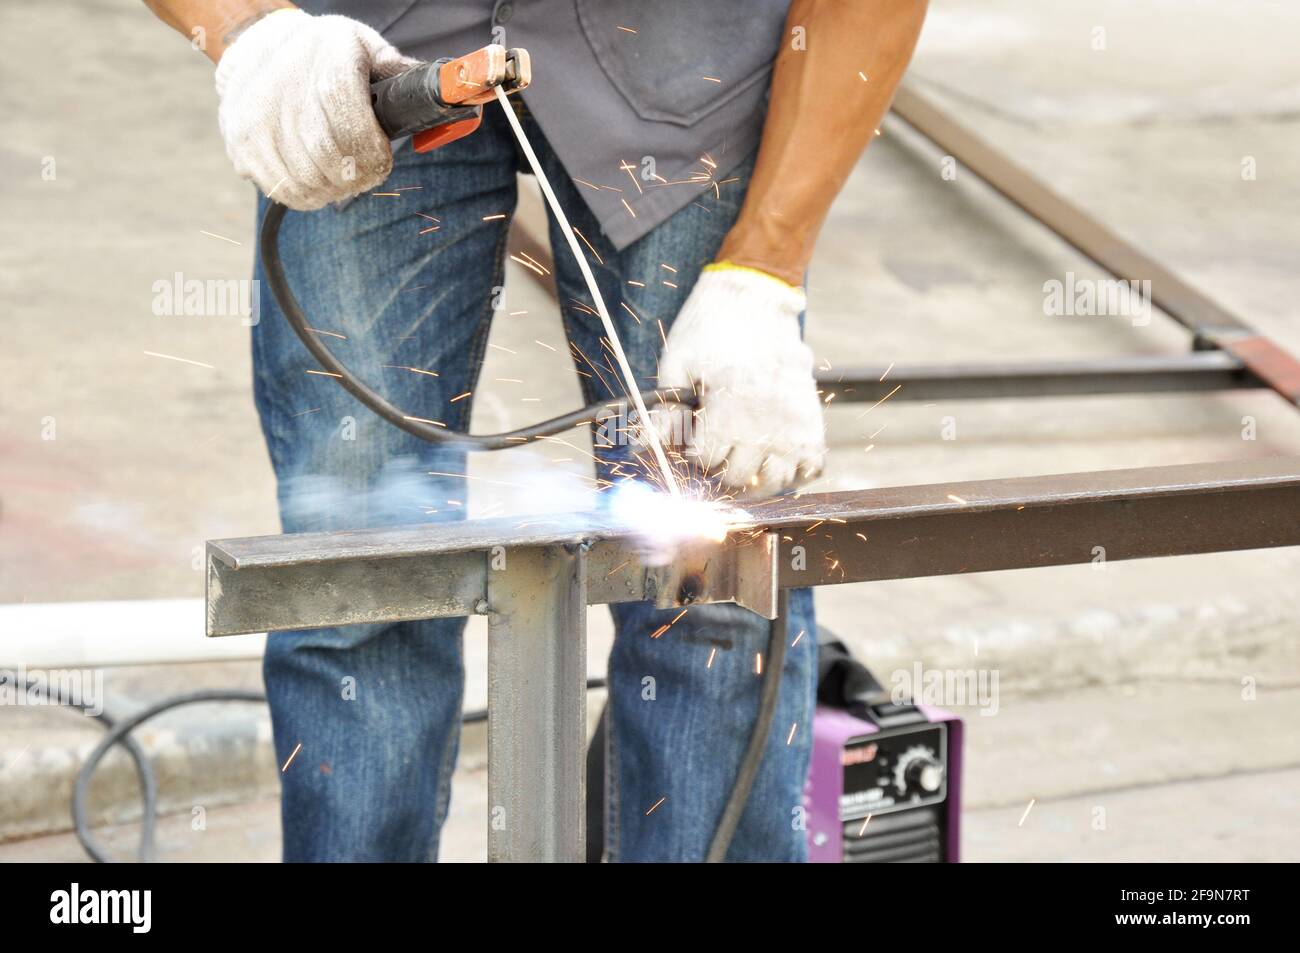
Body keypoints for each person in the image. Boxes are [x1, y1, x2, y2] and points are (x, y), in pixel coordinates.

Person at [144, 0, 927, 862]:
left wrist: (764, 267)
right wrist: (248, 29)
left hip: (690, 59)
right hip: (370, 59)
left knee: (715, 579)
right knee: (354, 575)